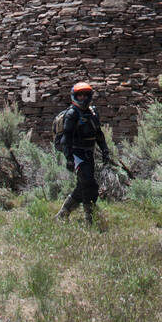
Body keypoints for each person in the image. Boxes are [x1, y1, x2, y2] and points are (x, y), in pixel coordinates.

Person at [54, 81, 110, 226]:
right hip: (77, 154)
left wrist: (104, 149)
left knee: (83, 185)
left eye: (86, 95)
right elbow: (66, 138)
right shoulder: (72, 114)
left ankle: (63, 214)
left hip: (89, 153)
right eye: (80, 95)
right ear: (74, 96)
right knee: (89, 184)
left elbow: (98, 133)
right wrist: (69, 158)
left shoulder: (92, 113)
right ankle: (89, 219)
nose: (83, 98)